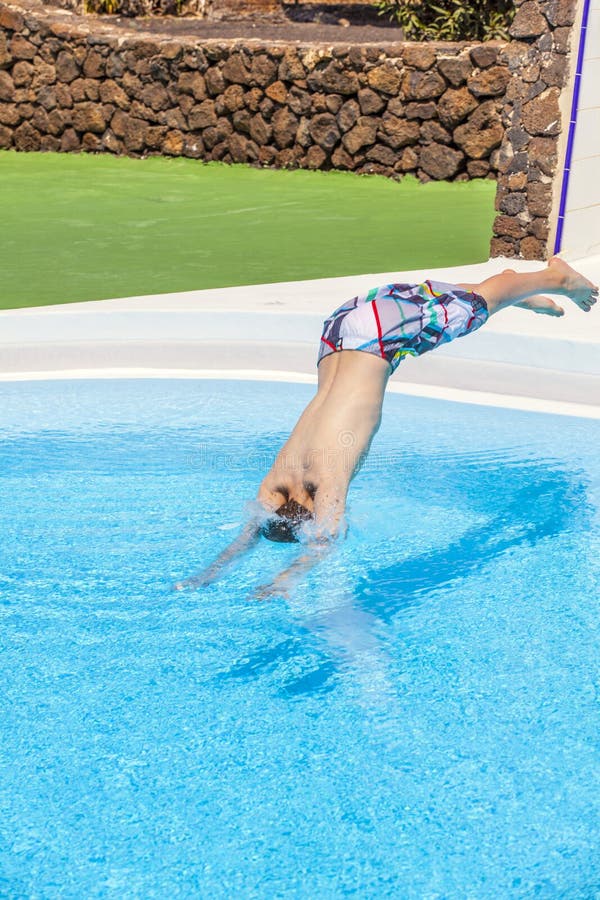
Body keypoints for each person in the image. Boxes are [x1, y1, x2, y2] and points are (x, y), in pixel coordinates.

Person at [174, 256, 597, 597]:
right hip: (340, 329)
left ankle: (552, 277)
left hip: (379, 340)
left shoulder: (327, 481)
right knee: (436, 300)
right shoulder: (276, 481)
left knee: (474, 311)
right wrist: (205, 575)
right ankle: (506, 287)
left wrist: (287, 580)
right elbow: (245, 536)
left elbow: (323, 543)